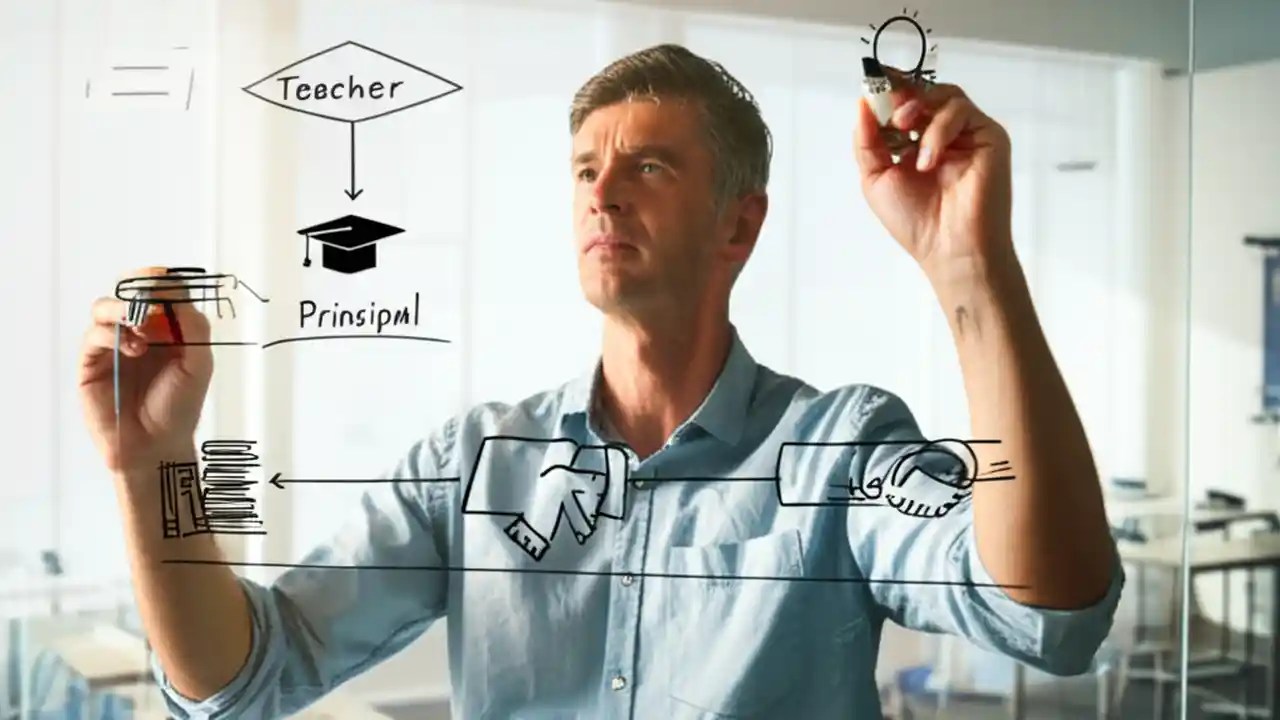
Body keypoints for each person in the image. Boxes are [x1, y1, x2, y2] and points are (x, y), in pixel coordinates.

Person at [79, 43, 1123, 719]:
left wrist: (967, 267)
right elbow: (241, 674)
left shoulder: (837, 455)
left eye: (650, 167)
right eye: (585, 169)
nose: (603, 193)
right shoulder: (473, 466)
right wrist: (152, 465)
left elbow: (1048, 612)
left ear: (737, 225)